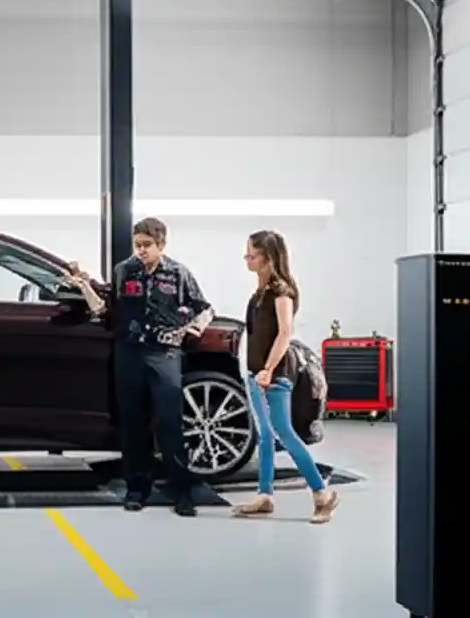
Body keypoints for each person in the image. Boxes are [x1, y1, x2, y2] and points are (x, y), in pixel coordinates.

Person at [64, 217, 213, 516]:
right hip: (129, 352)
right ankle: (137, 488)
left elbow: (204, 308)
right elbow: (105, 309)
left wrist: (193, 329)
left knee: (170, 424)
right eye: (138, 245)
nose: (141, 251)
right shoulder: (123, 271)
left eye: (147, 246)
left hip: (164, 354)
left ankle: (181, 490)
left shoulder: (178, 274)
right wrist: (83, 286)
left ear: (162, 245)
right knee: (132, 424)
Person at [231, 230, 340, 524]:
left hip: (275, 374)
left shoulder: (282, 292)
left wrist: (268, 368)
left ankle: (322, 494)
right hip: (257, 373)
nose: (247, 260)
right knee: (265, 436)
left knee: (284, 432)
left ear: (267, 257)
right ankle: (264, 496)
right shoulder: (259, 293)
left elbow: (285, 332)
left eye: (251, 255)